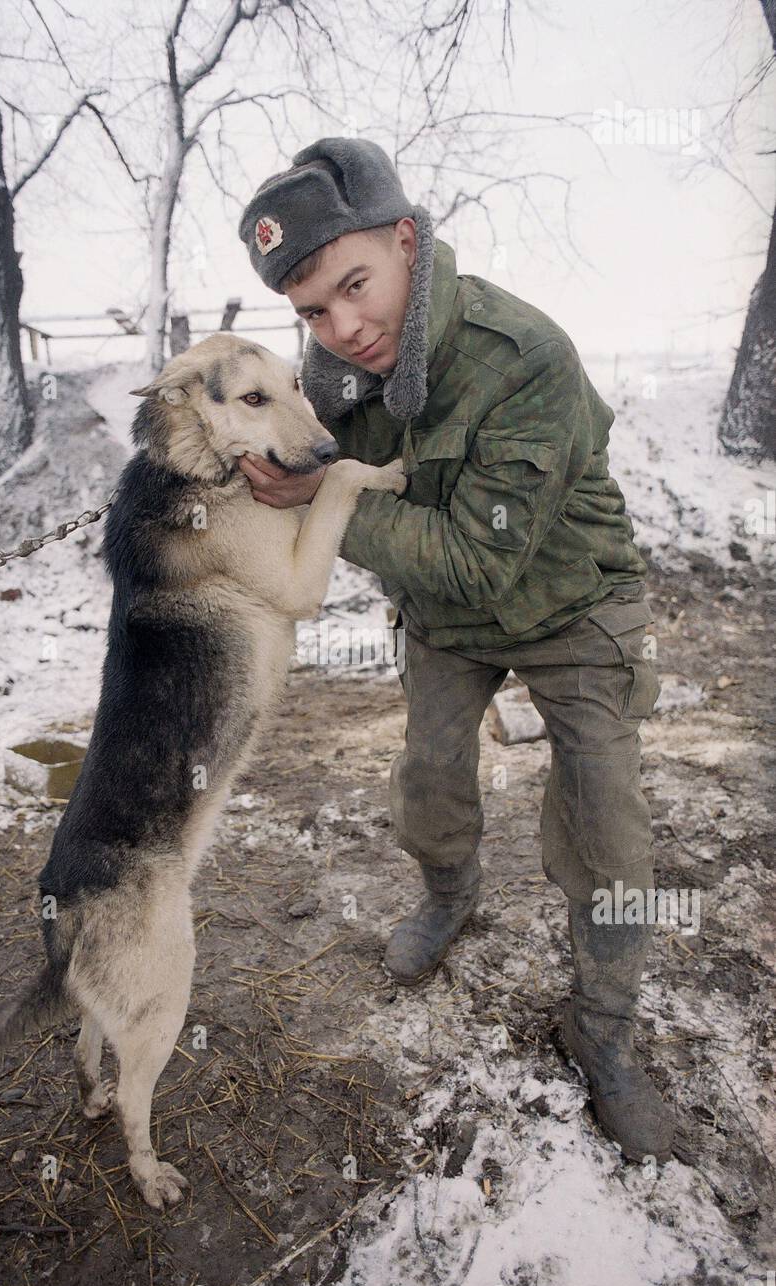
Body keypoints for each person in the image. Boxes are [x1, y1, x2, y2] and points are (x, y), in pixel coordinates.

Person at [236, 136, 675, 1163]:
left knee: (610, 832)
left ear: (405, 240)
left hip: (570, 606)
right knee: (428, 783)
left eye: (355, 285)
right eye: (312, 310)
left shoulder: (523, 356)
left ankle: (602, 1031)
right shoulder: (336, 376)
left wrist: (326, 498)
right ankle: (448, 897)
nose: (343, 326)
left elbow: (479, 560)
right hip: (444, 615)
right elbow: (312, 478)